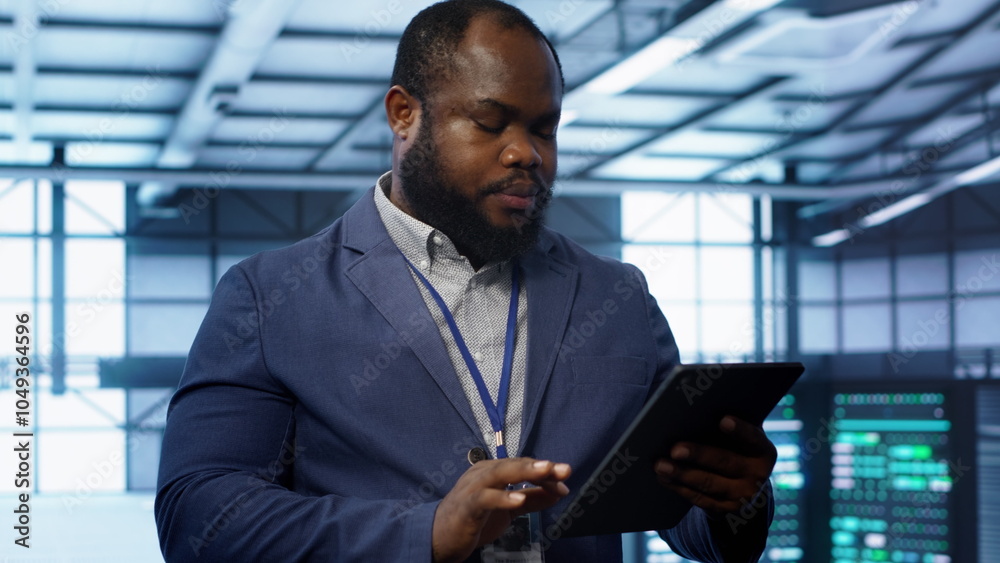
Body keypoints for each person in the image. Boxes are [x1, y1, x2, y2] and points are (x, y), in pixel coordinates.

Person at [154, 1, 777, 561]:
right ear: (404, 115)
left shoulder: (618, 296)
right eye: (490, 122)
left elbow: (687, 522)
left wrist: (732, 498)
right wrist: (426, 532)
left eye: (544, 128)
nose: (526, 153)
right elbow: (201, 516)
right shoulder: (268, 297)